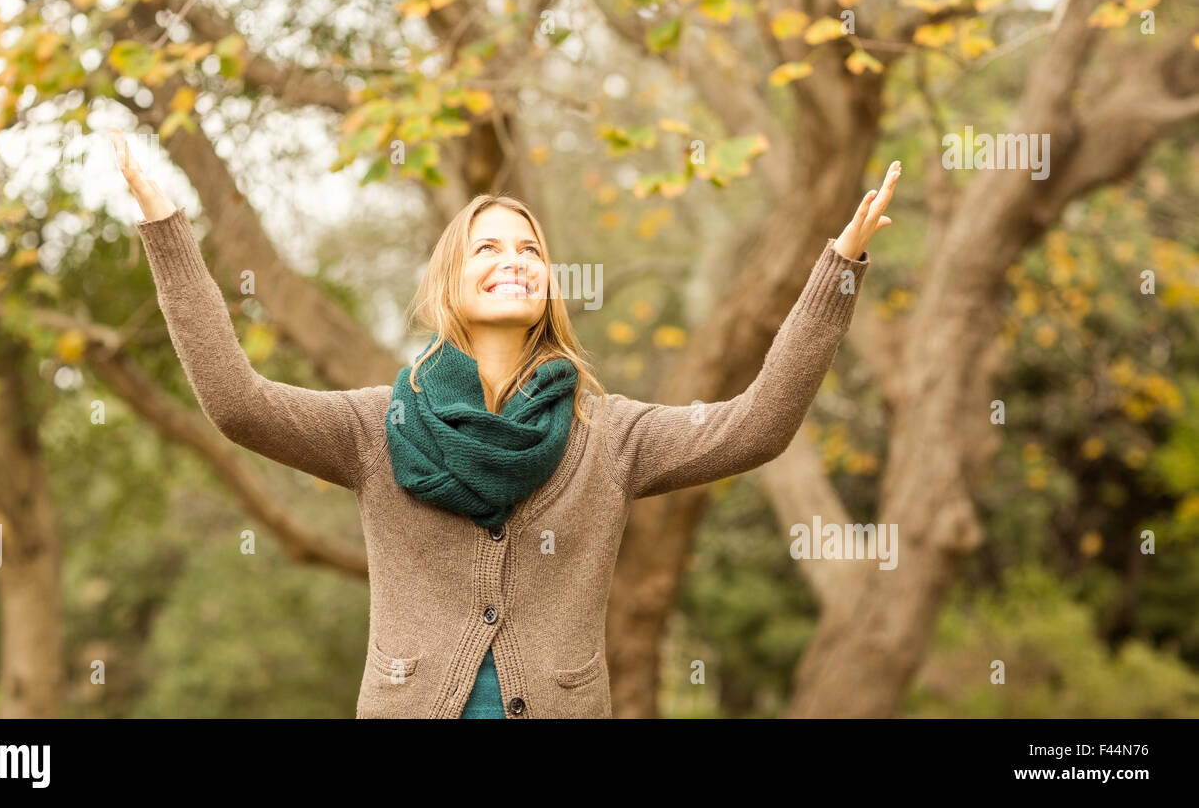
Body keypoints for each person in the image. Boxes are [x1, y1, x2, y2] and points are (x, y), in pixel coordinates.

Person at [110, 128, 897, 718]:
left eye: (530, 247)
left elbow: (756, 426)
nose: (514, 257)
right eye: (488, 246)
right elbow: (236, 402)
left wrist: (838, 273)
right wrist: (169, 232)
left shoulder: (609, 435)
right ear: (451, 280)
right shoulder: (373, 427)